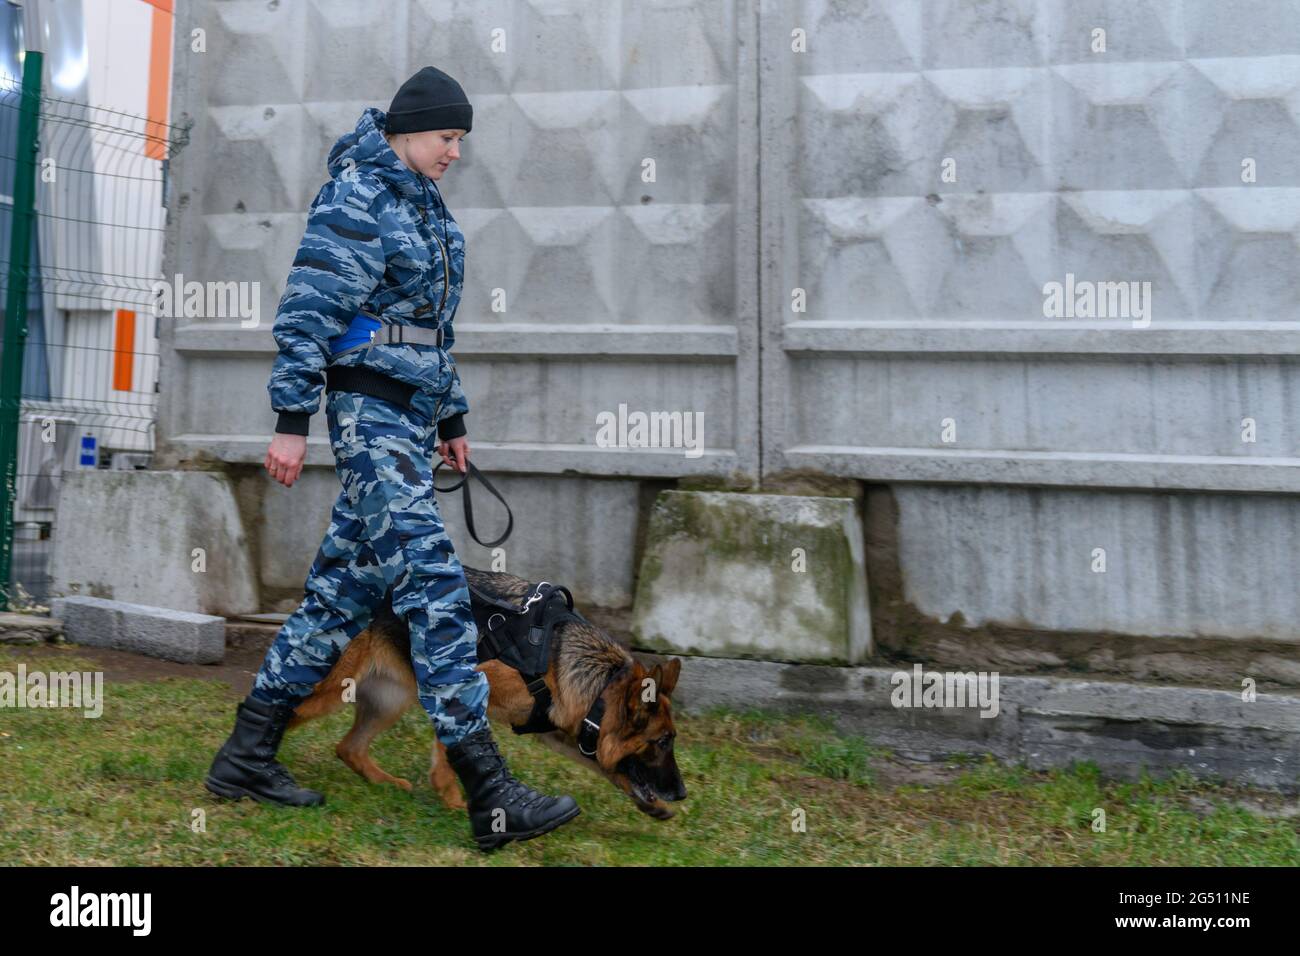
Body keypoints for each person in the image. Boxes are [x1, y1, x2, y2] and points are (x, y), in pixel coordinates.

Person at [205, 66, 580, 851]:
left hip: (409, 418)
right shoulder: (358, 196)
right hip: (368, 417)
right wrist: (288, 421)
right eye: (448, 136)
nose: (455, 152)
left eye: (461, 140)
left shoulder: (424, 204)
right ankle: (491, 794)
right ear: (409, 129)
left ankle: (245, 757)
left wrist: (451, 414)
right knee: (437, 590)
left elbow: (425, 326)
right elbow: (308, 309)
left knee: (336, 602)